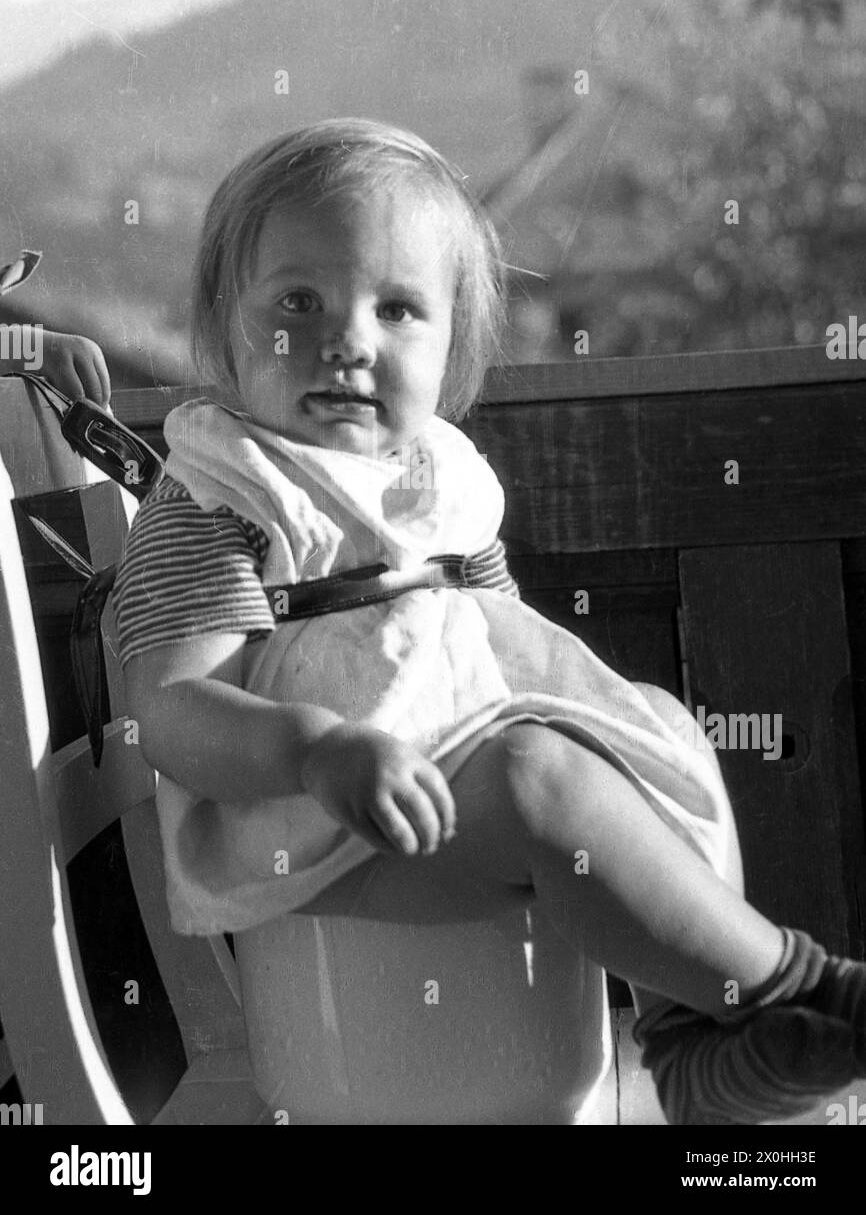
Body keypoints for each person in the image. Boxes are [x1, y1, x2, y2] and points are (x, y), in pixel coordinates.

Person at [114, 118, 866, 1126]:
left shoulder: (440, 485)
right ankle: (799, 990)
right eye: (300, 302)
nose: (348, 338)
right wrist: (315, 751)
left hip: (436, 797)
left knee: (647, 719)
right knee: (532, 776)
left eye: (397, 309)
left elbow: (503, 653)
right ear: (222, 326)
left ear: (450, 347)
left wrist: (589, 725)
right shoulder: (220, 496)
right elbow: (170, 710)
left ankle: (691, 1034)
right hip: (317, 830)